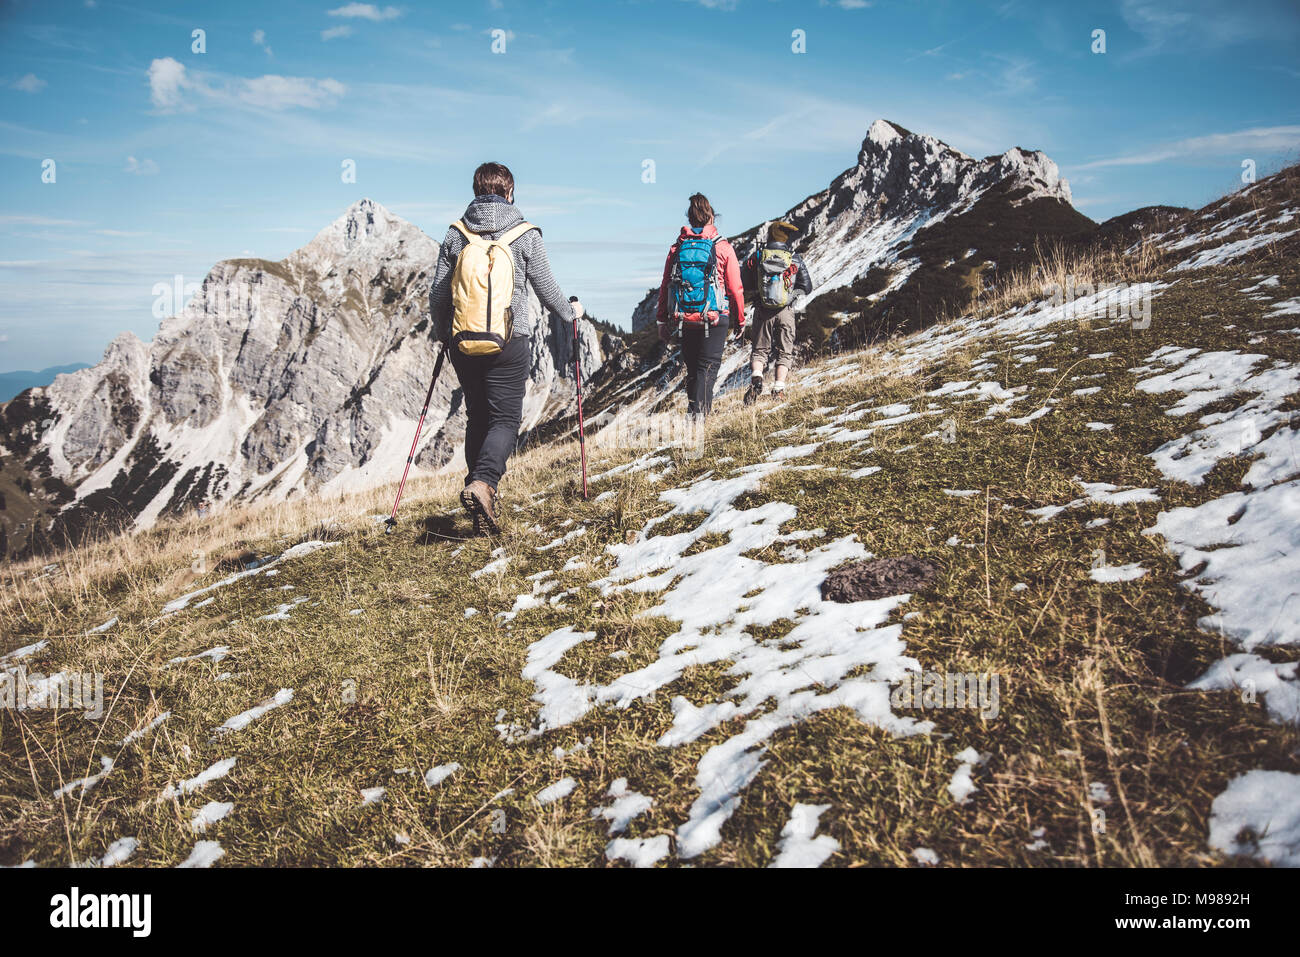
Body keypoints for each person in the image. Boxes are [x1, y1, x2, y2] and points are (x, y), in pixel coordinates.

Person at [430, 162, 582, 535]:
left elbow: (438, 293)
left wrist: (441, 331)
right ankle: (483, 485)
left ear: (475, 192)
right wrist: (572, 312)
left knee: (477, 418)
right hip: (510, 341)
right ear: (510, 192)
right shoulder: (525, 234)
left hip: (463, 342)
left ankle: (479, 494)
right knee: (505, 420)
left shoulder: (456, 234)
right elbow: (547, 291)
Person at [655, 193, 746, 417]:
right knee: (708, 368)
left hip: (684, 317)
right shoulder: (723, 247)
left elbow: (666, 284)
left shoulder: (677, 247)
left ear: (690, 218)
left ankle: (694, 413)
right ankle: (699, 418)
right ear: (712, 217)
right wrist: (740, 319)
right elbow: (735, 289)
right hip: (714, 316)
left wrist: (661, 320)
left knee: (694, 370)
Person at [742, 220, 813, 405]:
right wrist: (790, 298)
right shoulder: (794, 258)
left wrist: (761, 292)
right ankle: (779, 390)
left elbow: (745, 282)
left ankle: (757, 376)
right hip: (786, 311)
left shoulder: (758, 256)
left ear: (769, 236)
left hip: (762, 310)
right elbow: (807, 286)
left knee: (760, 350)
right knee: (785, 351)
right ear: (785, 238)